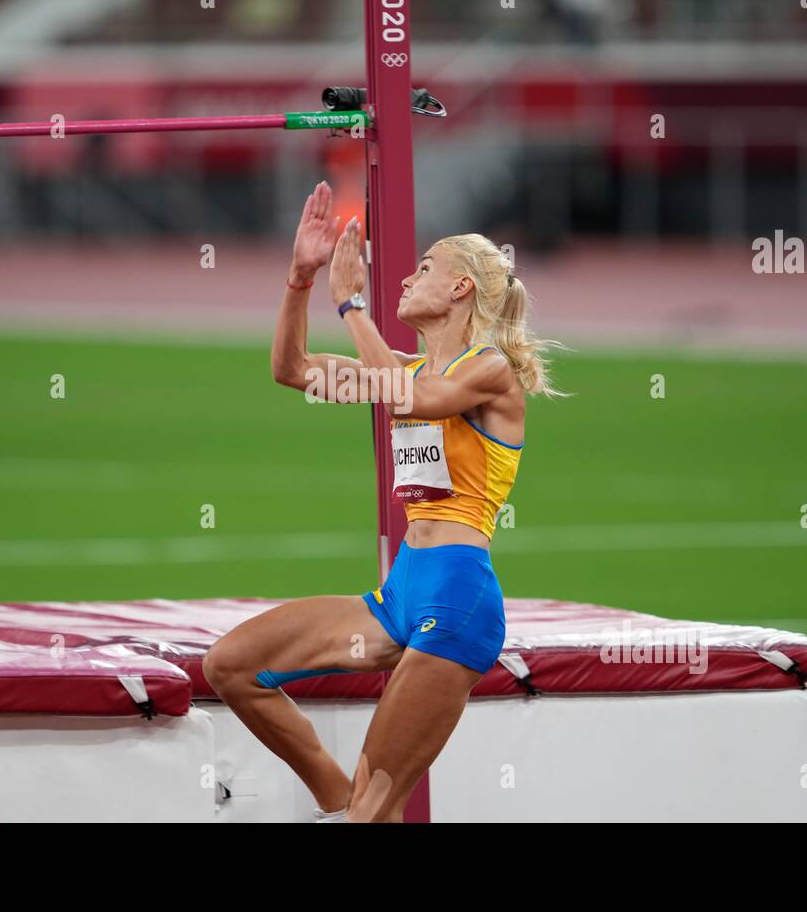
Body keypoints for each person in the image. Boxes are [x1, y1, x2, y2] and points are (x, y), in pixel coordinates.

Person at [202, 181, 560, 822]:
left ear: (460, 289)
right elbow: (292, 369)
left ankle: (357, 809)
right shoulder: (401, 366)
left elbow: (410, 399)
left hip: (456, 602)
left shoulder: (490, 369)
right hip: (400, 596)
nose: (405, 279)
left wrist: (353, 306)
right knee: (231, 666)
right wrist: (300, 279)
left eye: (424, 269)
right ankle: (336, 799)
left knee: (379, 808)